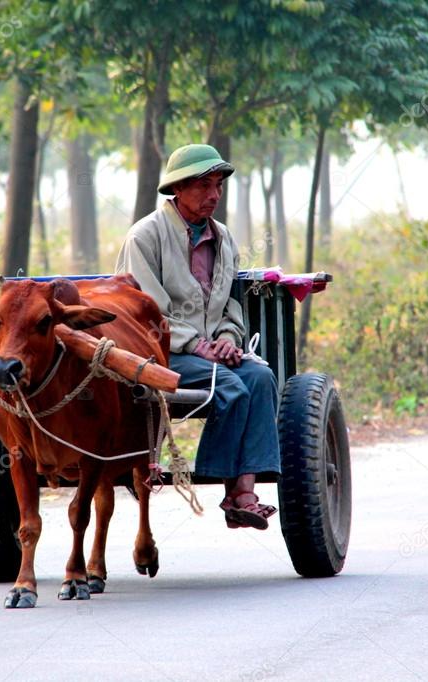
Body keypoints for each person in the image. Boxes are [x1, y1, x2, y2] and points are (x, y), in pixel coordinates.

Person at [115, 144, 281, 530]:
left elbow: (229, 306)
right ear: (178, 188)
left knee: (260, 378)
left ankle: (244, 491)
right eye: (204, 186)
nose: (214, 195)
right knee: (229, 386)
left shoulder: (222, 237)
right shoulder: (145, 236)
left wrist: (226, 337)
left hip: (208, 354)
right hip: (160, 353)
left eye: (219, 186)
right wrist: (195, 344)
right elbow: (144, 310)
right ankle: (217, 477)